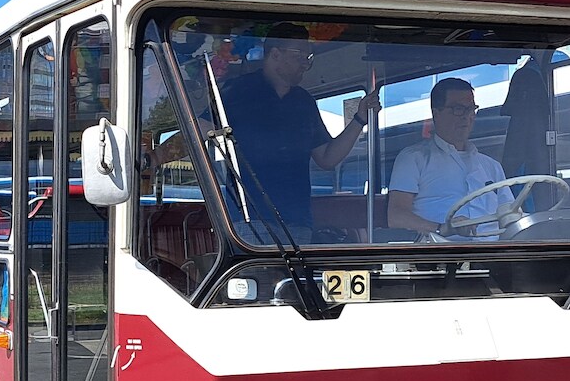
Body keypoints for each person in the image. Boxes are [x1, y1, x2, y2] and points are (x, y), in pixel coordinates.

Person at [218, 22, 379, 242]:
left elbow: (327, 158)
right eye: (300, 56)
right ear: (275, 54)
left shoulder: (304, 102)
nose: (305, 64)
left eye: (308, 58)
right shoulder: (237, 92)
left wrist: (359, 119)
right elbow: (201, 132)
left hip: (299, 221)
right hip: (249, 220)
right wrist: (159, 156)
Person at [387, 77, 514, 240]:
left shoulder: (492, 166)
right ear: (436, 113)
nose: (466, 116)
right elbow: (396, 215)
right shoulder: (413, 159)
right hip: (440, 257)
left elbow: (510, 214)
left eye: (471, 109)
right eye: (458, 109)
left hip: (495, 255)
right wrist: (443, 229)